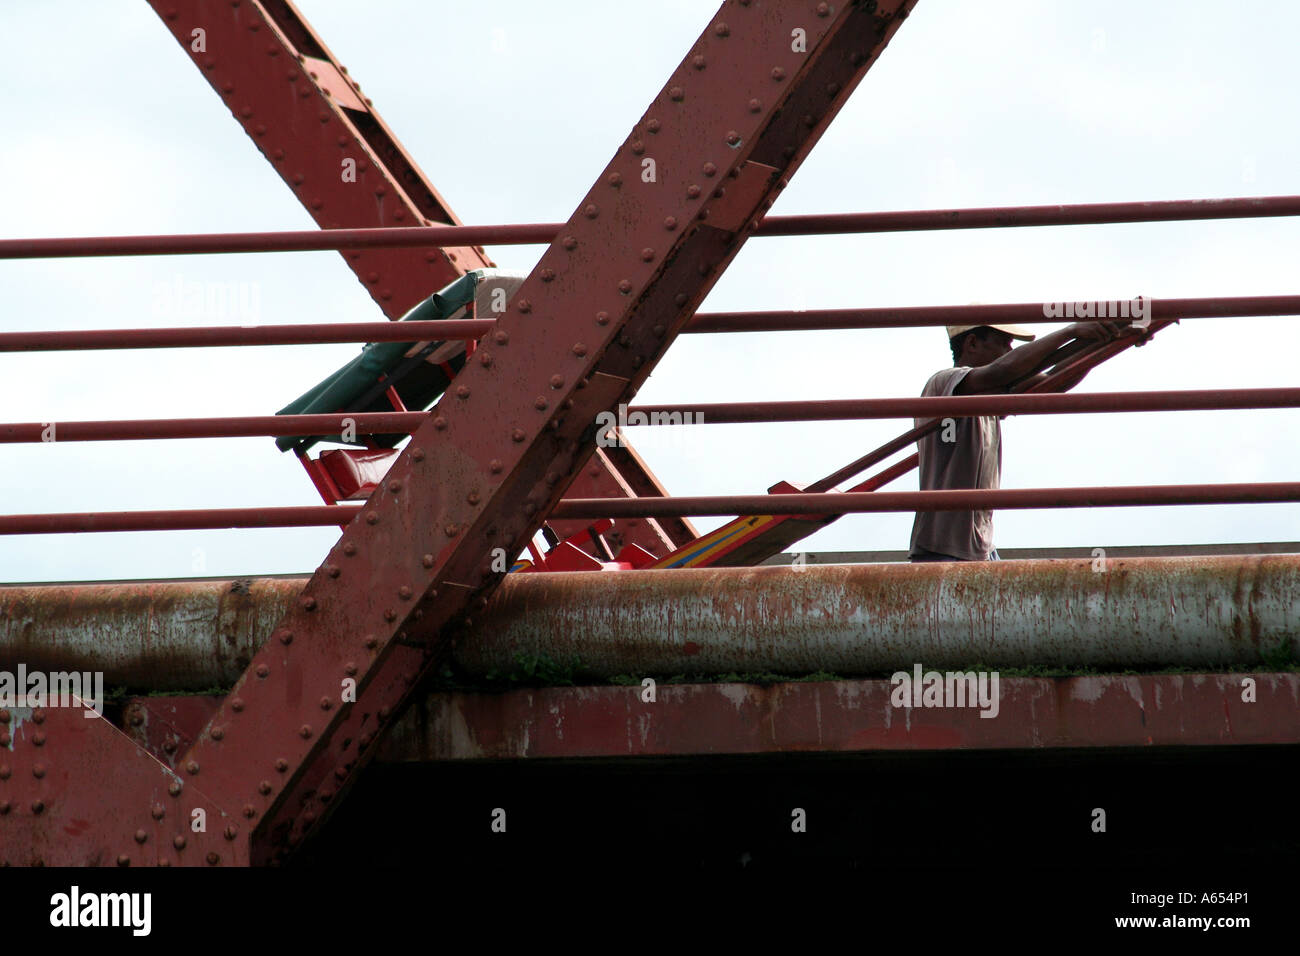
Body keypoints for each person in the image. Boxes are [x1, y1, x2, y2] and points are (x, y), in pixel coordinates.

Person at [908, 320, 1126, 563]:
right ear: (972, 343)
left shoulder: (988, 399)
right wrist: (1070, 331)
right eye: (1004, 344)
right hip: (942, 549)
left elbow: (1053, 382)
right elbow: (1004, 370)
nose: (1010, 352)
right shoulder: (944, 383)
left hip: (981, 549)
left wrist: (1105, 343)